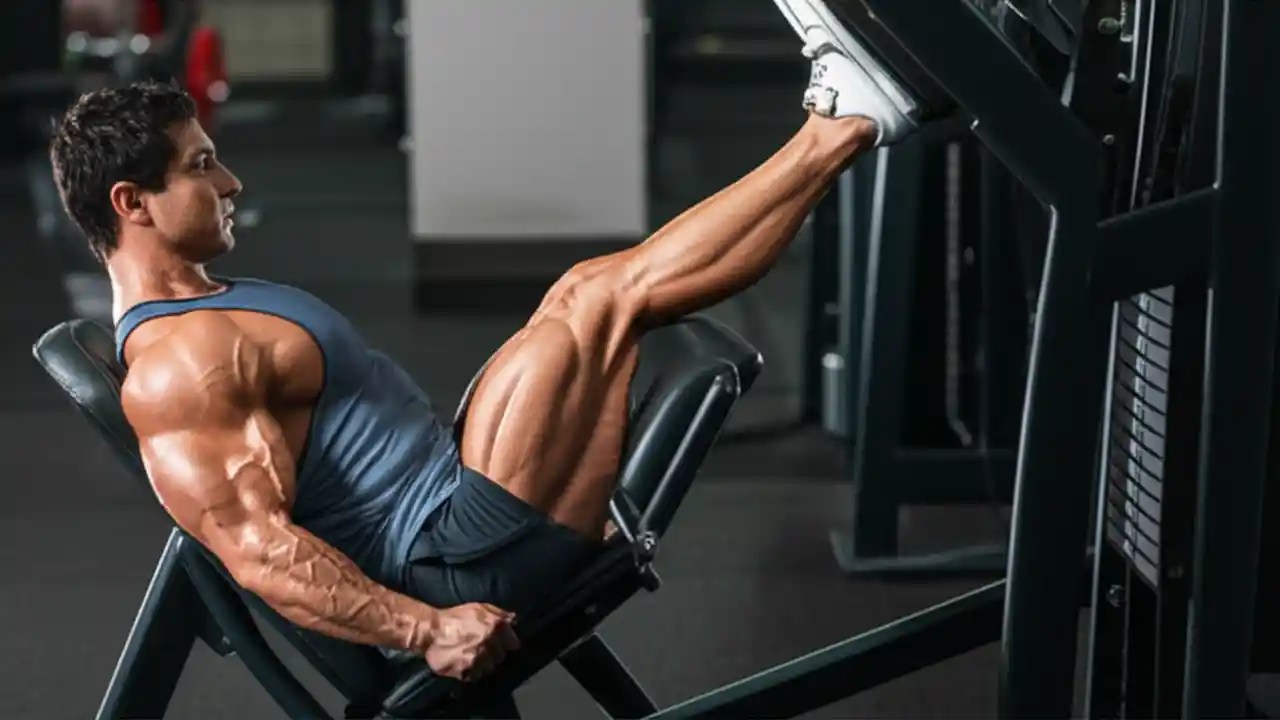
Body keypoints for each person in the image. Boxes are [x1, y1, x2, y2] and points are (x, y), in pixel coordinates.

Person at [48, 0, 917, 684]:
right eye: (202, 167)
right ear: (133, 204)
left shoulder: (206, 310)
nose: (231, 180)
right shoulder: (177, 370)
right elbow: (259, 548)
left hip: (451, 505)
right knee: (608, 300)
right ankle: (846, 124)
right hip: (456, 558)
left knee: (581, 292)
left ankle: (844, 117)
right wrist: (426, 629)